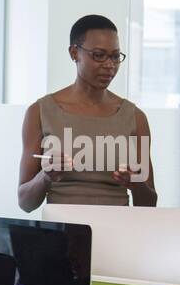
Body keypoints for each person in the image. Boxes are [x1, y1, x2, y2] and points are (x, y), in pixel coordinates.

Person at [18, 14, 156, 211]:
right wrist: (46, 176)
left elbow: (149, 203)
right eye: (99, 55)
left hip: (120, 232)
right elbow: (25, 202)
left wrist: (136, 184)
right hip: (63, 233)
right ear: (74, 53)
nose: (109, 65)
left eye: (115, 56)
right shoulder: (40, 112)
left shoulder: (135, 118)